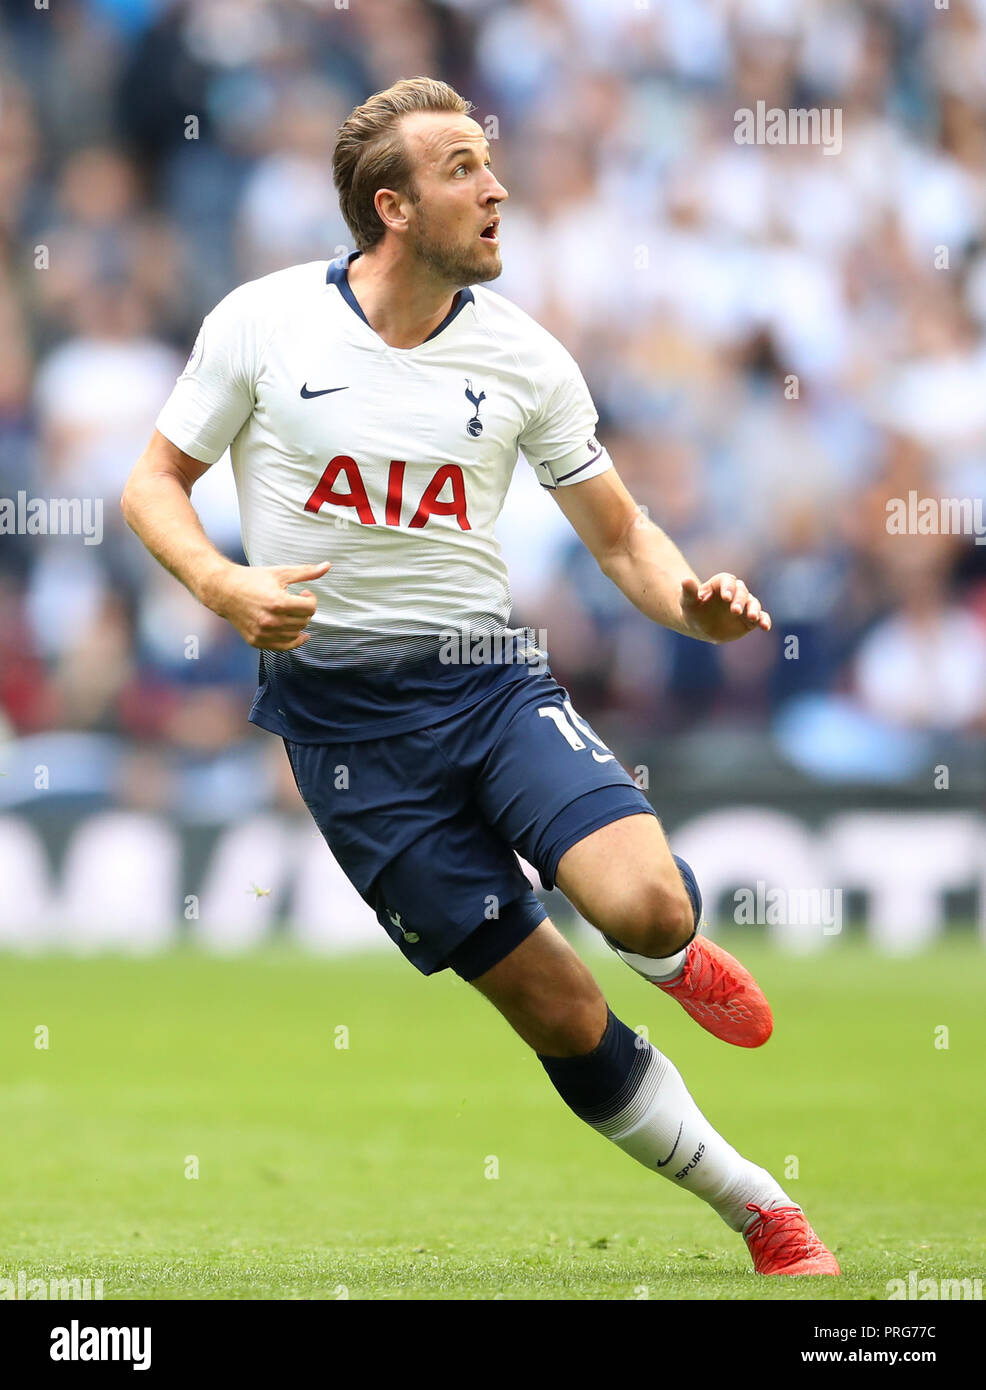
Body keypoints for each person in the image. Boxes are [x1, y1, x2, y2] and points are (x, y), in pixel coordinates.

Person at [122, 77, 838, 1277]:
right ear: (392, 207)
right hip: (347, 739)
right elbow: (153, 482)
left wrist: (686, 604)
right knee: (555, 1009)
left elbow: (620, 535)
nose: (495, 186)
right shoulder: (261, 324)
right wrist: (222, 584)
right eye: (461, 169)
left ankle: (671, 959)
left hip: (486, 685)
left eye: (489, 162)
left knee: (649, 906)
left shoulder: (523, 359)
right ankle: (759, 1207)